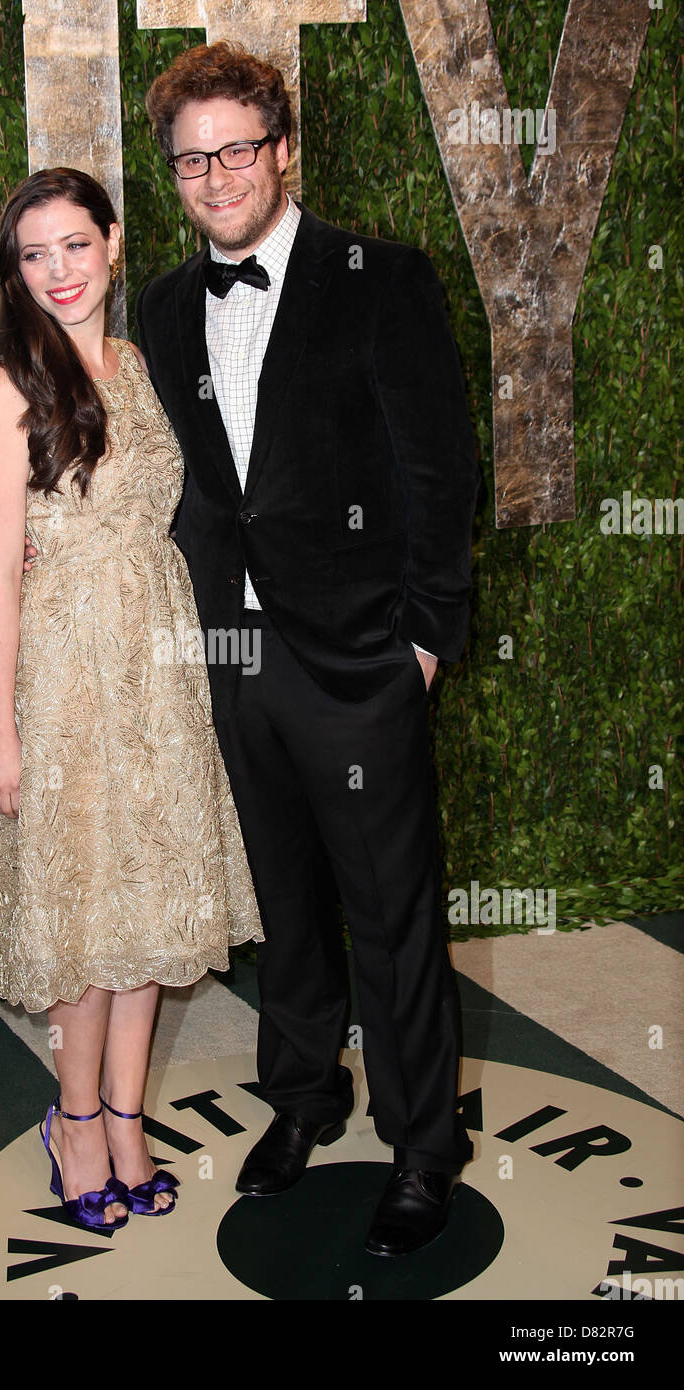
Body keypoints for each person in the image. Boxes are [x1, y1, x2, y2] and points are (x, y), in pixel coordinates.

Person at [132, 41, 481, 1257]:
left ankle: (422, 1145)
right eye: (192, 159)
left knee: (391, 912)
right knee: (285, 903)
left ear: (281, 150)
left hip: (359, 659)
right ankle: (301, 1100)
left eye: (236, 148)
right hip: (232, 651)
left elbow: (437, 471)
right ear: (173, 176)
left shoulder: (379, 277)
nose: (216, 174)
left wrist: (426, 638)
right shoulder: (163, 307)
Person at [0, 167, 262, 1233]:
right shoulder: (6, 387)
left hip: (155, 674)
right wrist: (6, 730)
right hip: (62, 680)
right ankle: (72, 1122)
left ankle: (125, 1117)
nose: (57, 272)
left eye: (74, 245)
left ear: (112, 244)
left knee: (147, 907)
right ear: (13, 273)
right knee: (80, 917)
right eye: (33, 255)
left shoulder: (142, 362)